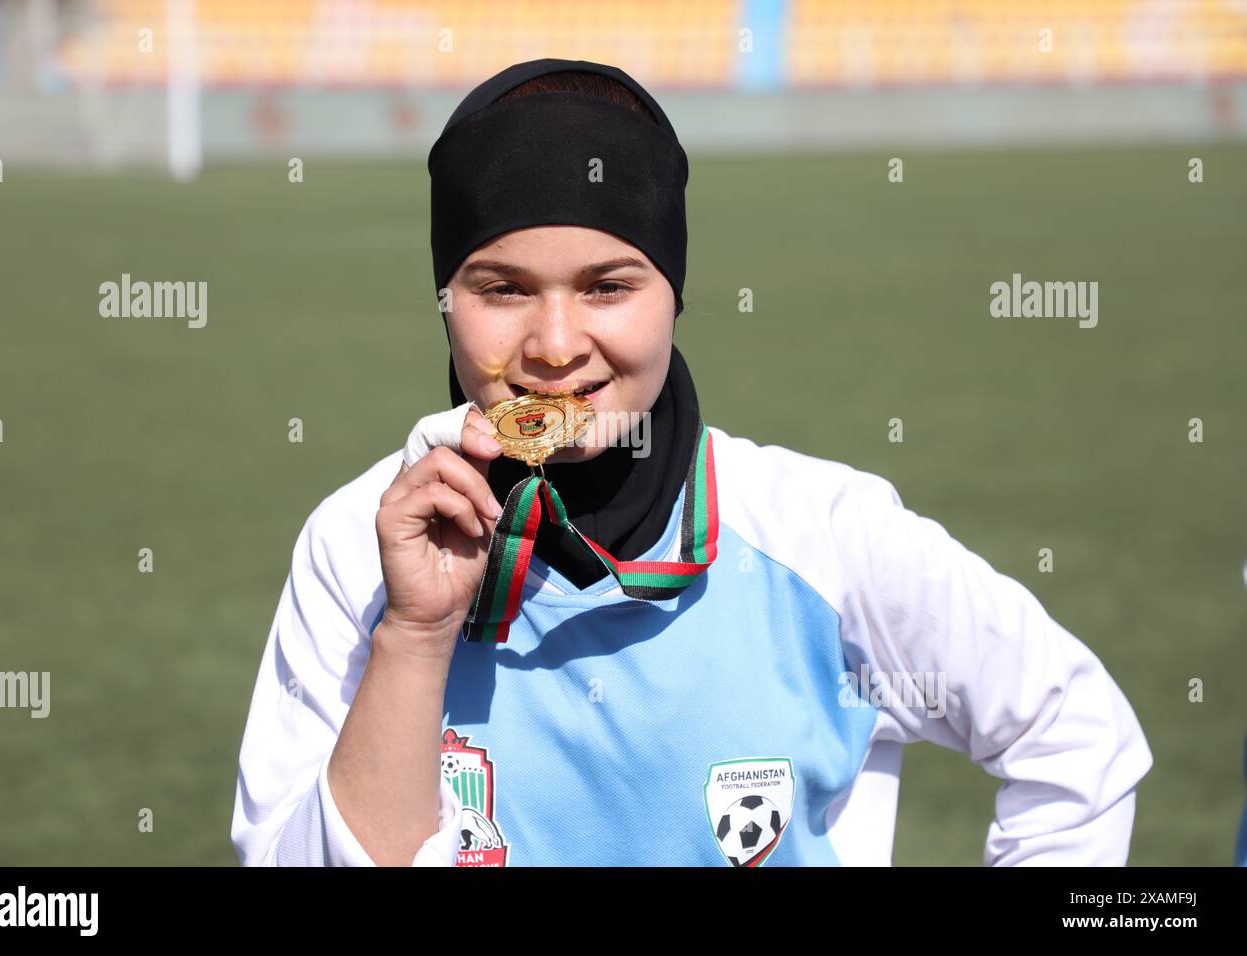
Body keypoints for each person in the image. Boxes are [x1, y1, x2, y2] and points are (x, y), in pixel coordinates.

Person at [231, 59, 1153, 867]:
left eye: (609, 286)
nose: (554, 346)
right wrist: (415, 638)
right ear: (445, 301)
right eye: (502, 288)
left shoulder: (818, 534)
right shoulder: (359, 548)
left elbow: (1073, 735)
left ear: (675, 291)